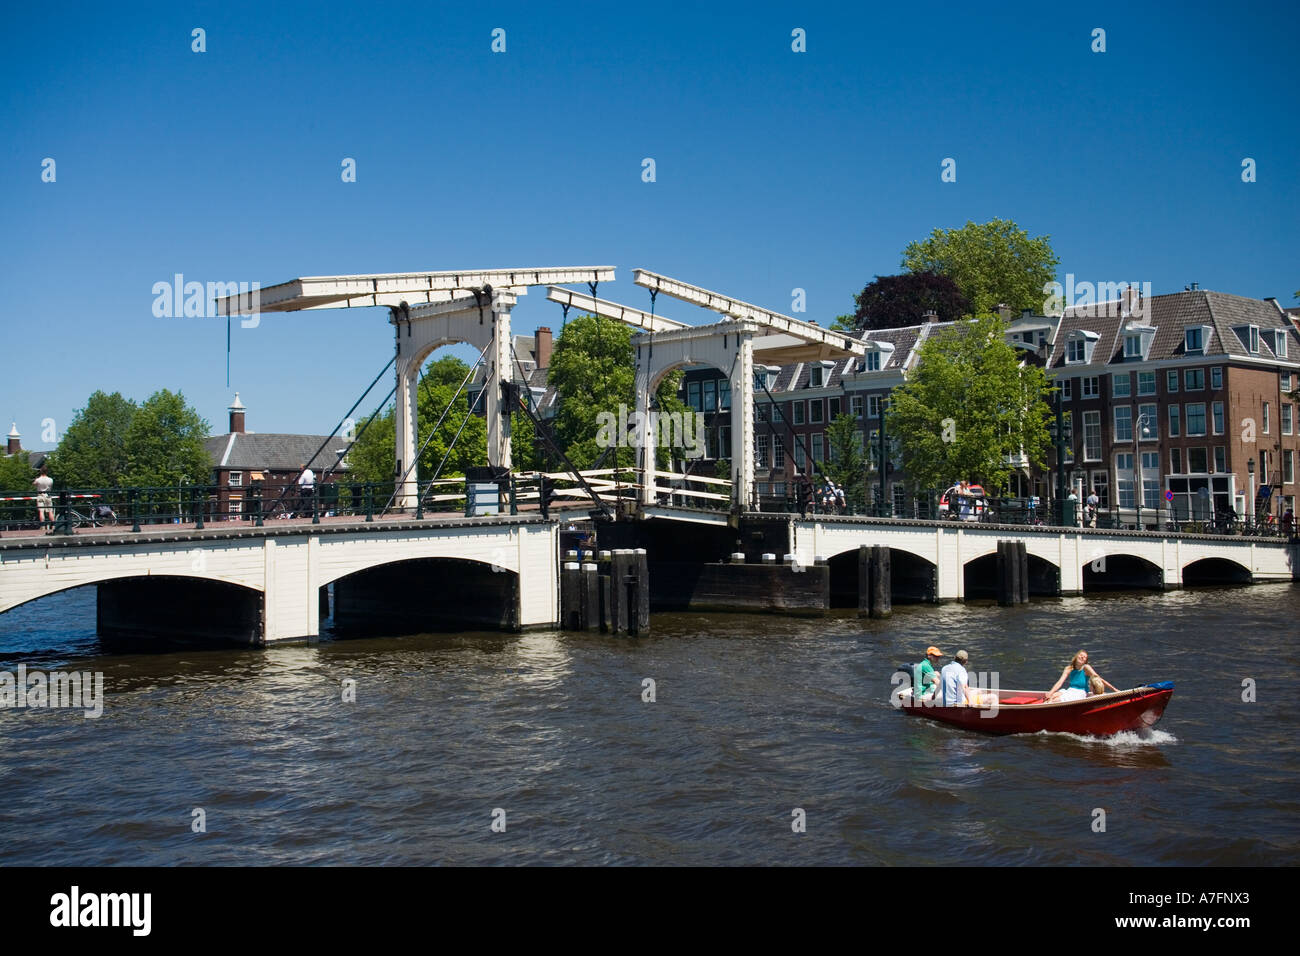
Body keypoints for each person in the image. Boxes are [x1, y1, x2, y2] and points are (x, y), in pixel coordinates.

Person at [1043, 650, 1120, 702]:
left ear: (1085, 661)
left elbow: (1099, 679)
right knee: (1052, 696)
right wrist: (1050, 692)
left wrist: (1115, 690)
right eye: (1081, 655)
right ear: (1077, 656)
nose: (1082, 657)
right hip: (1070, 690)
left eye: (1085, 657)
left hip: (1080, 692)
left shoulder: (1086, 668)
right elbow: (1059, 682)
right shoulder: (1068, 668)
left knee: (1055, 700)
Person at [32, 466, 55, 534]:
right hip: (48, 495)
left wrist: (36, 480)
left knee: (41, 511)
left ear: (40, 471)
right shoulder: (50, 479)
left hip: (40, 495)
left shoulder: (38, 479)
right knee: (50, 511)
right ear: (47, 471)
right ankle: (53, 525)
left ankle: (43, 526)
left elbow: (34, 484)